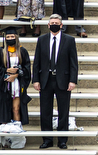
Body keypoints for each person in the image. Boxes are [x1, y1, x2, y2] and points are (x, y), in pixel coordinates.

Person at [32, 14, 78, 148]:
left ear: (61, 25)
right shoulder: (42, 40)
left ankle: (62, 140)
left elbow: (73, 62)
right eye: (52, 23)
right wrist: (35, 80)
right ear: (48, 25)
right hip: (45, 80)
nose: (54, 25)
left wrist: (73, 80)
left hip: (63, 80)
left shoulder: (69, 40)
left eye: (56, 23)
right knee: (45, 111)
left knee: (63, 111)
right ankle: (47, 139)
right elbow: (37, 61)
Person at [0, 26, 31, 128]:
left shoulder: (22, 51)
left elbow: (27, 69)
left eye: (12, 36)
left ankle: (17, 131)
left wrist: (16, 75)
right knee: (5, 110)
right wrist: (6, 71)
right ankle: (5, 134)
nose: (10, 38)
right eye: (8, 37)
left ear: (16, 37)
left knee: (16, 109)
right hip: (5, 84)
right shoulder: (0, 51)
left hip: (18, 84)